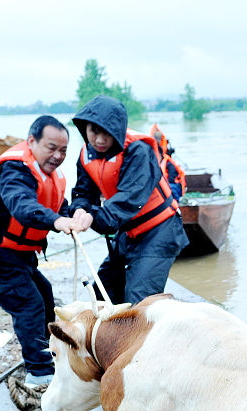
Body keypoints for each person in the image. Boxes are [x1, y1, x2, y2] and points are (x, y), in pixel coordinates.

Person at [0, 115, 78, 394]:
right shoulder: (14, 169)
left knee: (45, 295)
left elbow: (60, 206)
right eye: (51, 147)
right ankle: (39, 376)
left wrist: (77, 215)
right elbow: (22, 206)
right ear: (32, 141)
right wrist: (56, 221)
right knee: (29, 304)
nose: (58, 156)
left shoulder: (49, 173)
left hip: (15, 252)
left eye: (63, 150)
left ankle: (49, 357)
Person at [69, 96, 188, 306]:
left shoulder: (138, 152)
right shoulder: (86, 154)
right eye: (94, 132)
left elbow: (128, 201)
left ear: (118, 131)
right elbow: (83, 193)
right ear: (84, 128)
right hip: (128, 233)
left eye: (107, 133)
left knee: (139, 301)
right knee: (102, 295)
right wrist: (79, 209)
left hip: (159, 231)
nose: (99, 140)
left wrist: (92, 216)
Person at [150, 123, 187, 202]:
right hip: (162, 186)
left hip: (174, 187)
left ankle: (175, 203)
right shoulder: (153, 163)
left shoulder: (169, 164)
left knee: (169, 187)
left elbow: (171, 180)